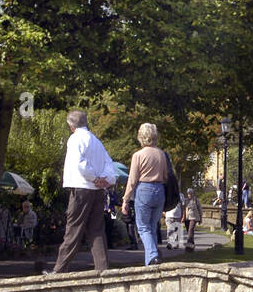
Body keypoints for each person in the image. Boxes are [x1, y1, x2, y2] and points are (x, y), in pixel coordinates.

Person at [50, 110, 116, 274]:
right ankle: (103, 269)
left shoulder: (75, 139)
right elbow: (109, 164)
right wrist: (104, 180)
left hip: (81, 188)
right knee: (96, 230)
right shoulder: (97, 141)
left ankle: (59, 269)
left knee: (73, 229)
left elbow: (79, 163)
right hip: (97, 190)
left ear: (70, 125)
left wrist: (93, 178)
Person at [122, 122, 171, 267]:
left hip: (144, 189)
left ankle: (153, 256)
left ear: (141, 136)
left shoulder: (138, 155)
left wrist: (125, 200)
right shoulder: (161, 154)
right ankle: (150, 263)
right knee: (152, 226)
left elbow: (132, 180)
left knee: (143, 227)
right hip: (159, 190)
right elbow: (165, 176)